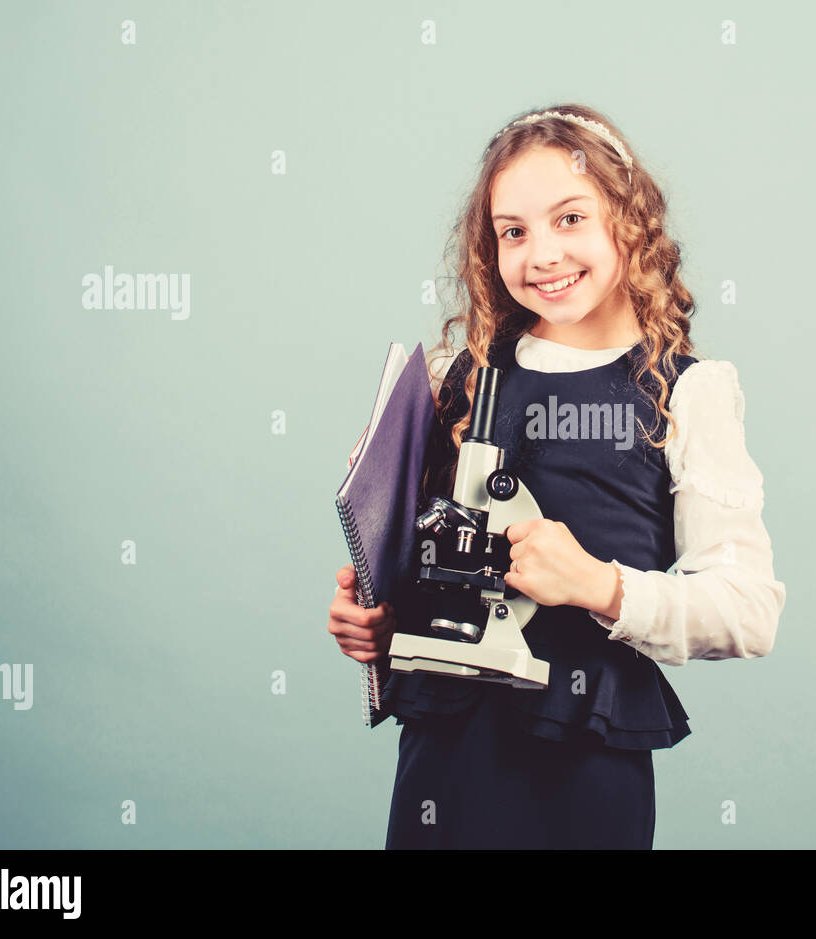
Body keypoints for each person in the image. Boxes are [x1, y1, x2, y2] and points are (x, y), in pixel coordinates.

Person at [327, 104, 785, 849]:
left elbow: (748, 610)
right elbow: (421, 566)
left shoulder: (687, 391)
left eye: (570, 219)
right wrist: (376, 621)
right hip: (444, 755)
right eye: (514, 231)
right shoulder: (455, 377)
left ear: (628, 223)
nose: (541, 254)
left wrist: (596, 583)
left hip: (581, 764)